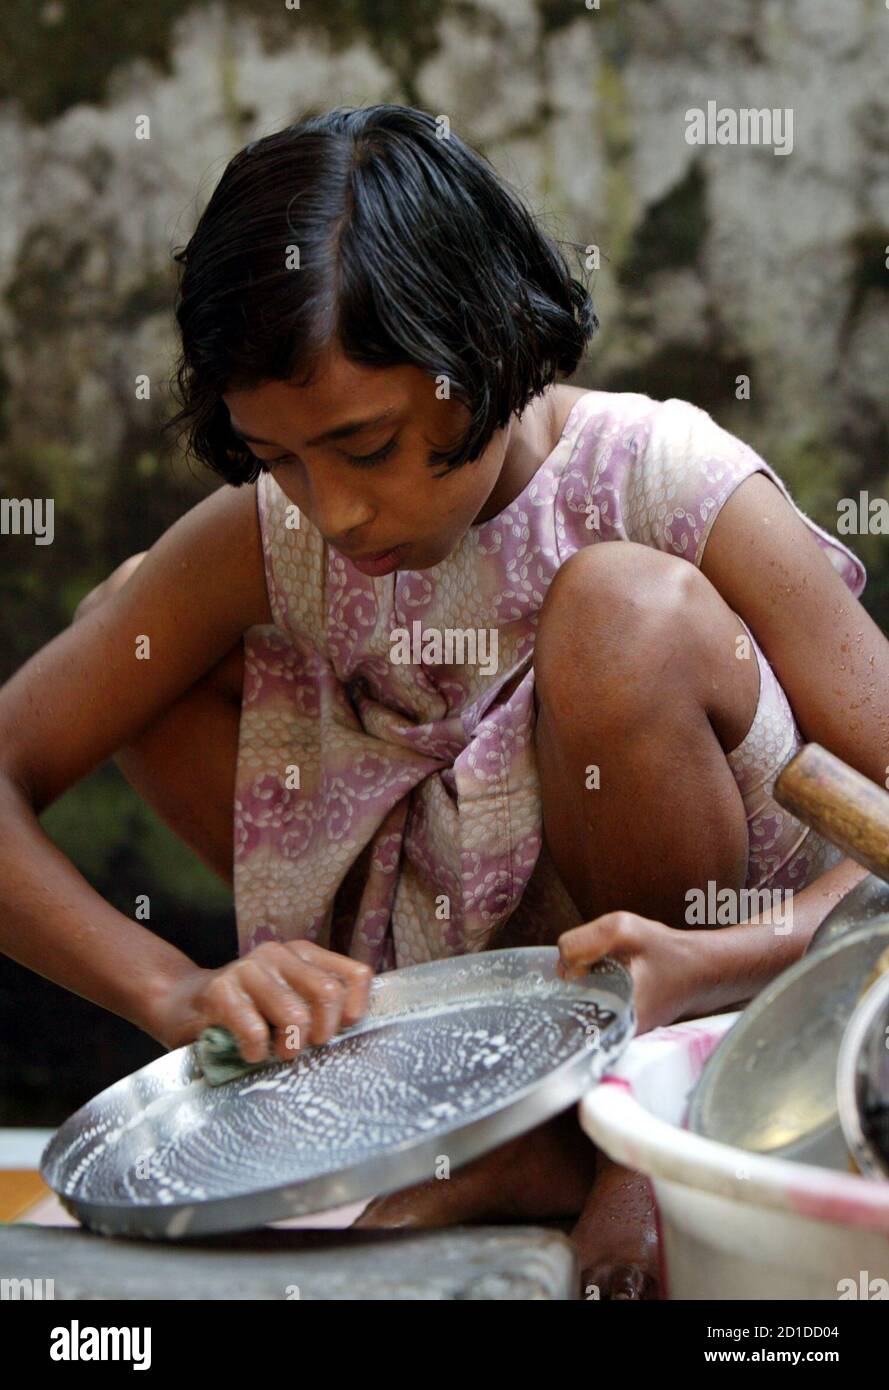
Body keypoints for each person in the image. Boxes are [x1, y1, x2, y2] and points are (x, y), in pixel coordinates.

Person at [1, 105, 884, 1297]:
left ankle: (634, 1142)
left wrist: (728, 952)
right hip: (463, 993)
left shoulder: (666, 478)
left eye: (366, 447)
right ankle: (518, 1133)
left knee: (620, 612)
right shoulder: (276, 537)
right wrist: (172, 985)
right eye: (280, 460)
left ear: (488, 343)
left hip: (729, 975)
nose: (336, 510)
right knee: (138, 626)